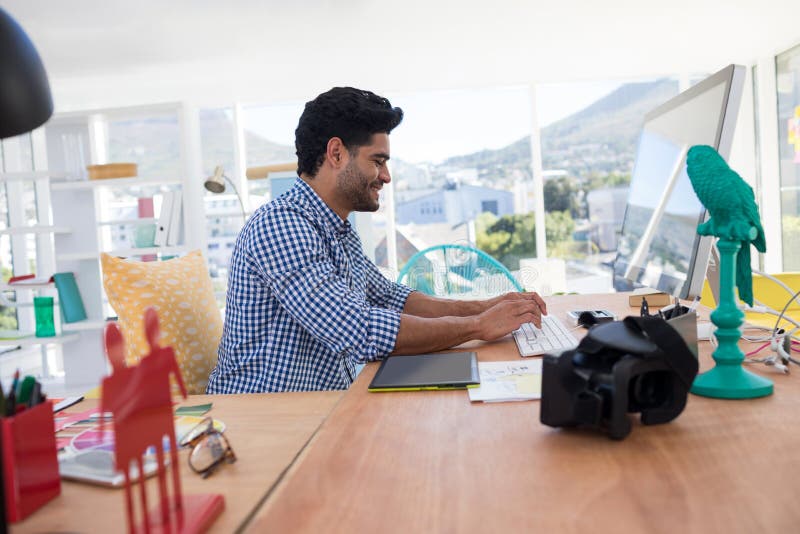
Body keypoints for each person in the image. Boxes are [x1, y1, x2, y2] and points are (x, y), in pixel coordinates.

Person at [206, 87, 546, 394]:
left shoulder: (336, 227)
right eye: (378, 161)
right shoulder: (279, 225)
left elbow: (391, 298)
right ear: (336, 154)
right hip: (264, 419)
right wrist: (477, 326)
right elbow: (359, 330)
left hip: (315, 408)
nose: (386, 176)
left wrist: (490, 306)